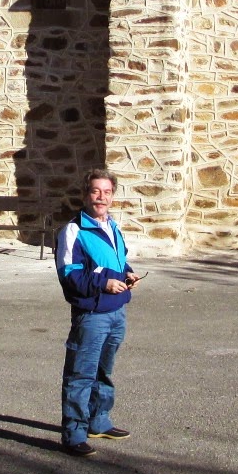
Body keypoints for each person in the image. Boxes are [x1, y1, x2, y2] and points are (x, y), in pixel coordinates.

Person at [53, 168, 142, 458]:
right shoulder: (73, 230)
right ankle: (74, 433)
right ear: (86, 194)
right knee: (81, 374)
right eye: (95, 191)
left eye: (107, 192)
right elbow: (69, 275)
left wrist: (128, 275)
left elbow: (119, 261)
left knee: (104, 372)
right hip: (91, 315)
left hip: (117, 312)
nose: (101, 197)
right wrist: (103, 283)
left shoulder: (113, 227)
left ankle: (98, 421)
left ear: (112, 197)